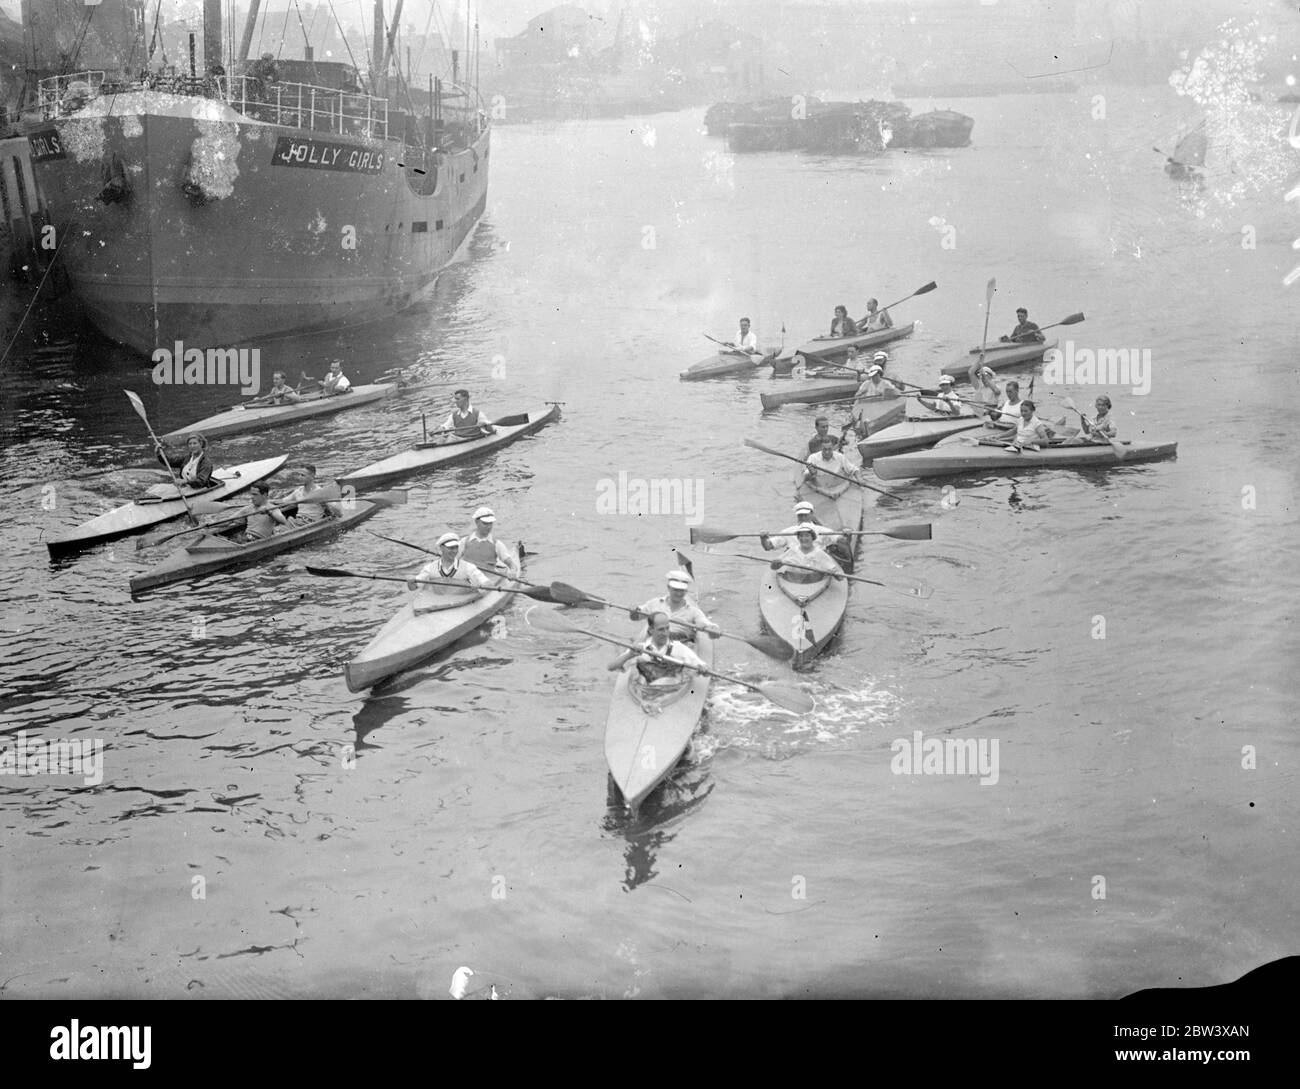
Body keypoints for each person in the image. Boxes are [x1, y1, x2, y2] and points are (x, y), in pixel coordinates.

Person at [607, 611, 705, 687]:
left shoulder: (679, 648)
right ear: (650, 630)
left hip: (673, 691)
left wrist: (703, 669)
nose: (666, 633)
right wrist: (629, 655)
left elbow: (702, 667)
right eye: (661, 630)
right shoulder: (640, 649)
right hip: (646, 691)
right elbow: (611, 667)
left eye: (667, 628)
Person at [408, 532, 493, 612]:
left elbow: (488, 584)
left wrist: (481, 585)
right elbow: (413, 588)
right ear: (441, 548)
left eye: (456, 547)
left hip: (462, 605)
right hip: (437, 605)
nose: (454, 551)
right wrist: (410, 581)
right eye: (451, 548)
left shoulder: (468, 567)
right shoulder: (429, 568)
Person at [631, 569, 720, 642]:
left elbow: (708, 626)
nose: (678, 594)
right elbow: (635, 617)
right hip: (653, 644)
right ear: (668, 588)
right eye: (675, 590)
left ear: (686, 591)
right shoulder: (654, 603)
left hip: (679, 648)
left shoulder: (694, 612)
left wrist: (713, 630)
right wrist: (633, 612)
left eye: (682, 590)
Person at [760, 499, 847, 559]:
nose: (803, 517)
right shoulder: (788, 532)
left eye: (806, 515)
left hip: (818, 564)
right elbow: (768, 546)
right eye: (800, 515)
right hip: (794, 564)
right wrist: (763, 538)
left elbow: (842, 541)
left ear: (812, 514)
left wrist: (847, 534)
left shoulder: (823, 531)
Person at [770, 525, 845, 583]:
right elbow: (773, 567)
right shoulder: (792, 551)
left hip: (814, 583)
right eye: (801, 536)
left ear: (812, 538)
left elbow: (839, 577)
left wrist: (836, 574)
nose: (803, 539)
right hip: (792, 582)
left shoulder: (819, 553)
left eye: (807, 536)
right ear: (798, 538)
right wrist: (776, 563)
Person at [460, 506, 521, 577]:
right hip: (468, 579)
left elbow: (512, 565)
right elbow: (451, 561)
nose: (489, 527)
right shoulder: (464, 542)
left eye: (490, 523)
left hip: (489, 581)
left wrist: (513, 571)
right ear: (476, 522)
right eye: (485, 523)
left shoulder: (497, 544)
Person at [804, 434, 859, 500]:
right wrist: (811, 473)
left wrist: (859, 479)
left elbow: (853, 469)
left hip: (836, 486)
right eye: (824, 449)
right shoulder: (813, 458)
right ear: (821, 448)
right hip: (821, 488)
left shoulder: (840, 457)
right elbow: (805, 477)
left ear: (833, 448)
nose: (827, 452)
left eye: (829, 449)